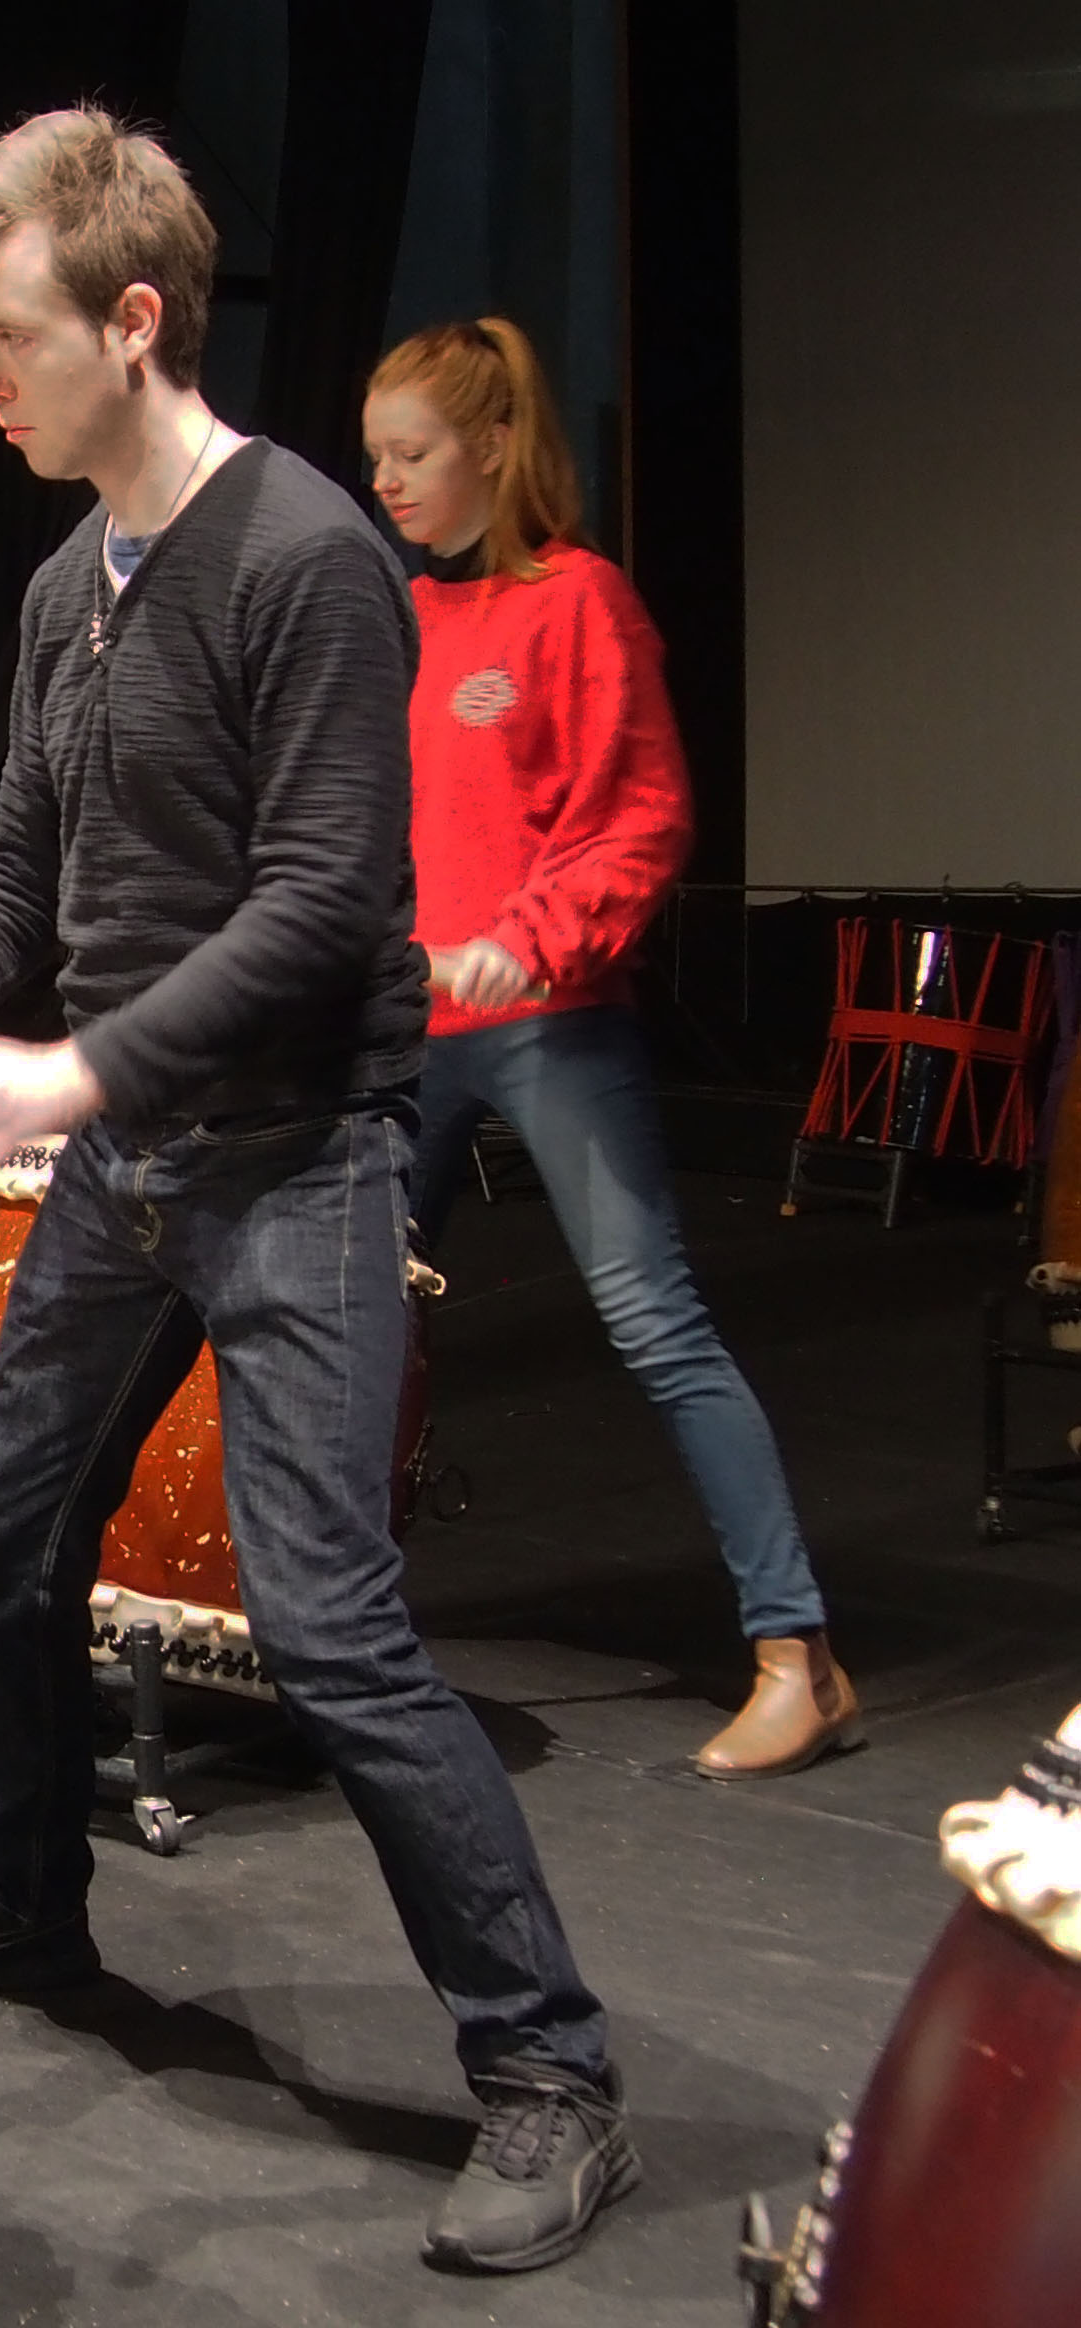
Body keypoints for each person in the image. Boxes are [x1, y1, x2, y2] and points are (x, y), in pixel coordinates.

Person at [0, 113, 633, 2273]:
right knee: (5, 1542)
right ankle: (38, 1901)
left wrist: (77, 1058)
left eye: (10, 342)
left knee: (328, 1626)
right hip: (135, 1157)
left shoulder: (306, 559)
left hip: (292, 1156)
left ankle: (548, 2073)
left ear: (136, 325)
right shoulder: (75, 588)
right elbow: (28, 877)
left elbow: (332, 905)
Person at [366, 318, 858, 1778]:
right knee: (345, 1335)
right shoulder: (399, 618)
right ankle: (321, 1626)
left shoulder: (577, 605)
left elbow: (638, 820)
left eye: (412, 454)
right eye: (375, 456)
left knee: (653, 1322)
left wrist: (528, 933)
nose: (385, 481)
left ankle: (799, 1657)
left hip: (548, 1027)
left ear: (494, 448)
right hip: (413, 1031)